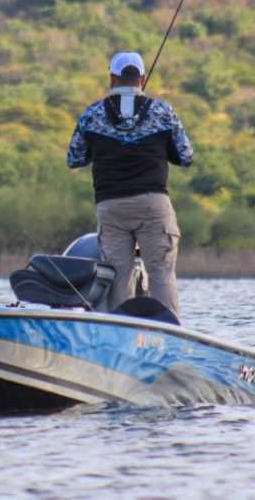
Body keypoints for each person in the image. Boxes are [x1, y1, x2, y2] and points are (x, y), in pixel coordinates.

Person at [66, 51, 193, 319]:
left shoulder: (91, 114)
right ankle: (169, 333)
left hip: (110, 207)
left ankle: (116, 337)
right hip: (153, 206)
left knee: (116, 279)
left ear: (112, 78)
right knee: (160, 274)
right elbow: (185, 157)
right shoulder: (162, 111)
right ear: (142, 78)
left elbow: (74, 158)